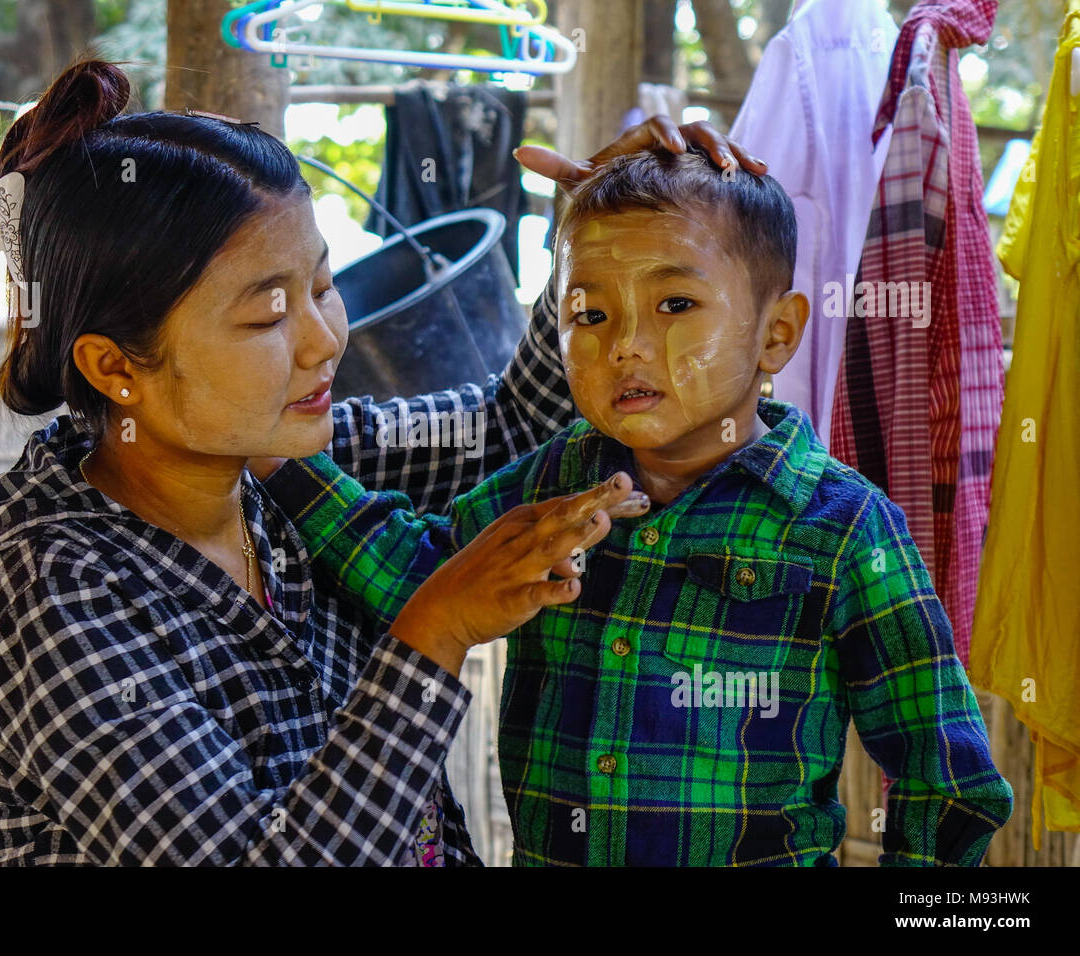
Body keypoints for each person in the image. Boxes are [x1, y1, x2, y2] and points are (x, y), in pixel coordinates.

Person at [0, 58, 762, 866]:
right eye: (266, 316)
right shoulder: (48, 583)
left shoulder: (279, 471)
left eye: (321, 286)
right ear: (114, 367)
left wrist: (595, 233)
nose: (326, 339)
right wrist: (439, 626)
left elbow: (506, 430)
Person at [258, 148, 1015, 866]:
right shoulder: (558, 478)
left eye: (675, 303)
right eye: (590, 315)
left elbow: (945, 774)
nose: (624, 345)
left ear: (776, 334)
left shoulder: (845, 530)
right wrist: (277, 458)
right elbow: (418, 576)